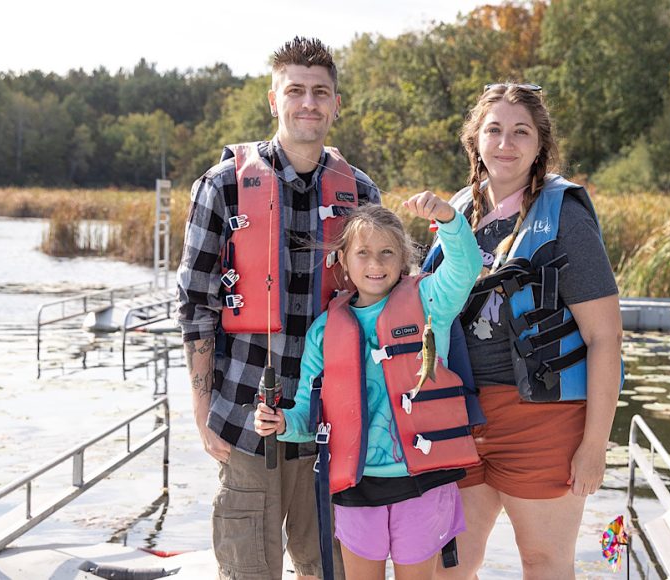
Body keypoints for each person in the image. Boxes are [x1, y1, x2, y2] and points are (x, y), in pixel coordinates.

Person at [176, 37, 381, 580]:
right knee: (249, 570)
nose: (308, 103)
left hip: (332, 422)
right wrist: (202, 414)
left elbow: (383, 308)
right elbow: (196, 304)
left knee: (331, 569)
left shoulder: (361, 193)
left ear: (337, 104)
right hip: (248, 419)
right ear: (274, 100)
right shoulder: (220, 187)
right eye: (295, 90)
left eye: (320, 92)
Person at [423, 83, 624, 580]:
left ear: (540, 145)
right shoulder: (456, 213)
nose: (505, 143)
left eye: (520, 132)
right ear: (475, 141)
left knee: (544, 562)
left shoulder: (565, 215)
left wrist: (594, 445)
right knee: (447, 567)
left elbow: (605, 338)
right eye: (493, 130)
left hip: (543, 421)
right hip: (458, 415)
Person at [253, 197, 483, 580]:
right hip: (358, 486)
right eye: (363, 253)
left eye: (387, 252)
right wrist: (280, 423)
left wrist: (447, 217)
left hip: (422, 483)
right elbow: (309, 417)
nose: (375, 265)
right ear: (343, 259)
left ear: (403, 256)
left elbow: (466, 266)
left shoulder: (431, 302)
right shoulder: (324, 331)